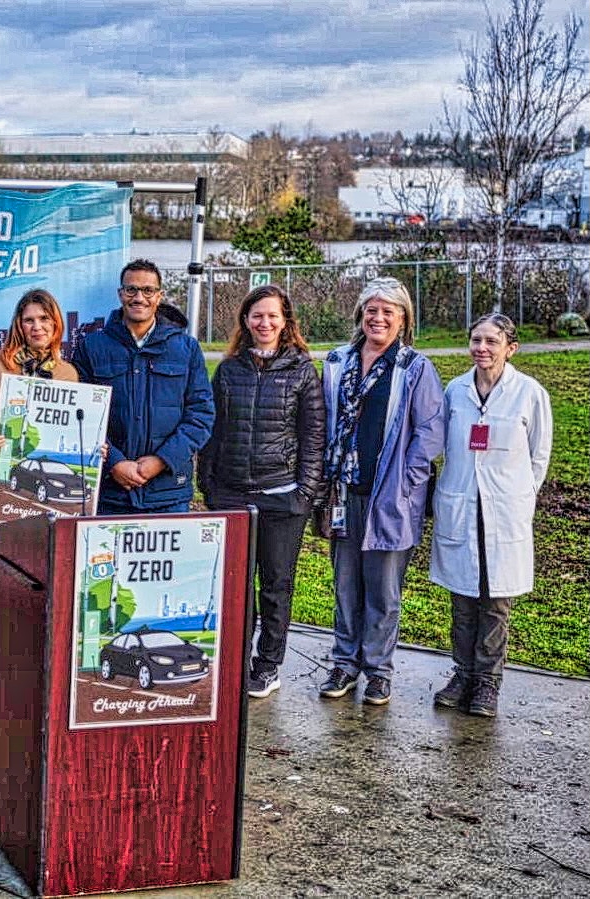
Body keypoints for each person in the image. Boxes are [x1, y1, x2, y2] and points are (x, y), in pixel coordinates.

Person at [319, 277, 444, 705]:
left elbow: (430, 431)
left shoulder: (414, 367)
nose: (378, 318)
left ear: (403, 319)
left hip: (389, 497)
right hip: (343, 493)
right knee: (345, 585)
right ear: (360, 314)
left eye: (388, 311)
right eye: (371, 310)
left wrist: (407, 481)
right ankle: (344, 663)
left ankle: (378, 670)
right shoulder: (337, 361)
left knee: (384, 590)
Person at [198, 285, 325, 699]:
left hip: (282, 496)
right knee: (236, 587)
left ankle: (267, 665)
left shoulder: (302, 370)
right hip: (232, 494)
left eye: (272, 315)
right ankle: (234, 662)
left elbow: (314, 437)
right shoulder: (228, 370)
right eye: (257, 315)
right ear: (245, 321)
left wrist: (305, 492)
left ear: (285, 321)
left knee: (275, 586)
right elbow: (213, 431)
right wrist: (209, 486)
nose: (264, 322)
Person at [430, 314, 552, 717]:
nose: (481, 348)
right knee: (463, 598)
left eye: (491, 342)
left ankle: (487, 682)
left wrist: (521, 497)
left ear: (510, 348)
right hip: (461, 504)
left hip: (503, 511)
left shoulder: (529, 393)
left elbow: (539, 456)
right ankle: (462, 674)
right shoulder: (456, 390)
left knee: (496, 602)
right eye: (476, 340)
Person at [71, 259, 214, 514]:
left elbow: (201, 414)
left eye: (148, 290)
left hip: (168, 494)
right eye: (131, 290)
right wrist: (115, 462)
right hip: (109, 494)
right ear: (120, 294)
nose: (139, 298)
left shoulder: (186, 348)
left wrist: (161, 460)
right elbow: (80, 414)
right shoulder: (91, 347)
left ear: (159, 296)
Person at [0, 289, 79, 561]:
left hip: (48, 501)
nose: (37, 326)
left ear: (56, 323)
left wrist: (89, 446)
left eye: (44, 318)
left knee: (46, 570)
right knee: (5, 570)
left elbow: (73, 427)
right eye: (29, 320)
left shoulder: (67, 373)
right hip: (0, 486)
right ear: (19, 325)